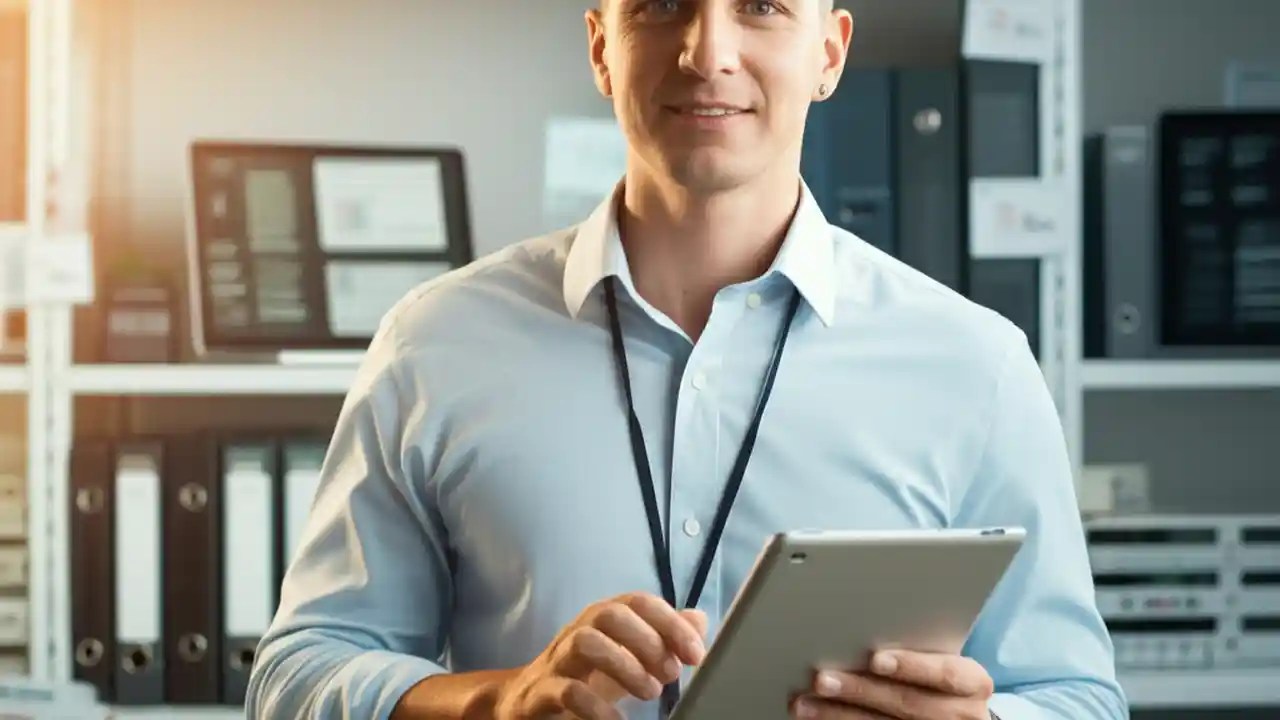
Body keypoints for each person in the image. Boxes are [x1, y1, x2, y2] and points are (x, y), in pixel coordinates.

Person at [246, 0, 1128, 718]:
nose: (708, 52)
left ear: (830, 51)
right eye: (663, 5)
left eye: (760, 7)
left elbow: (1079, 698)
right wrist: (493, 702)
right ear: (601, 45)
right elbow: (295, 676)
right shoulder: (438, 342)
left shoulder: (975, 365)